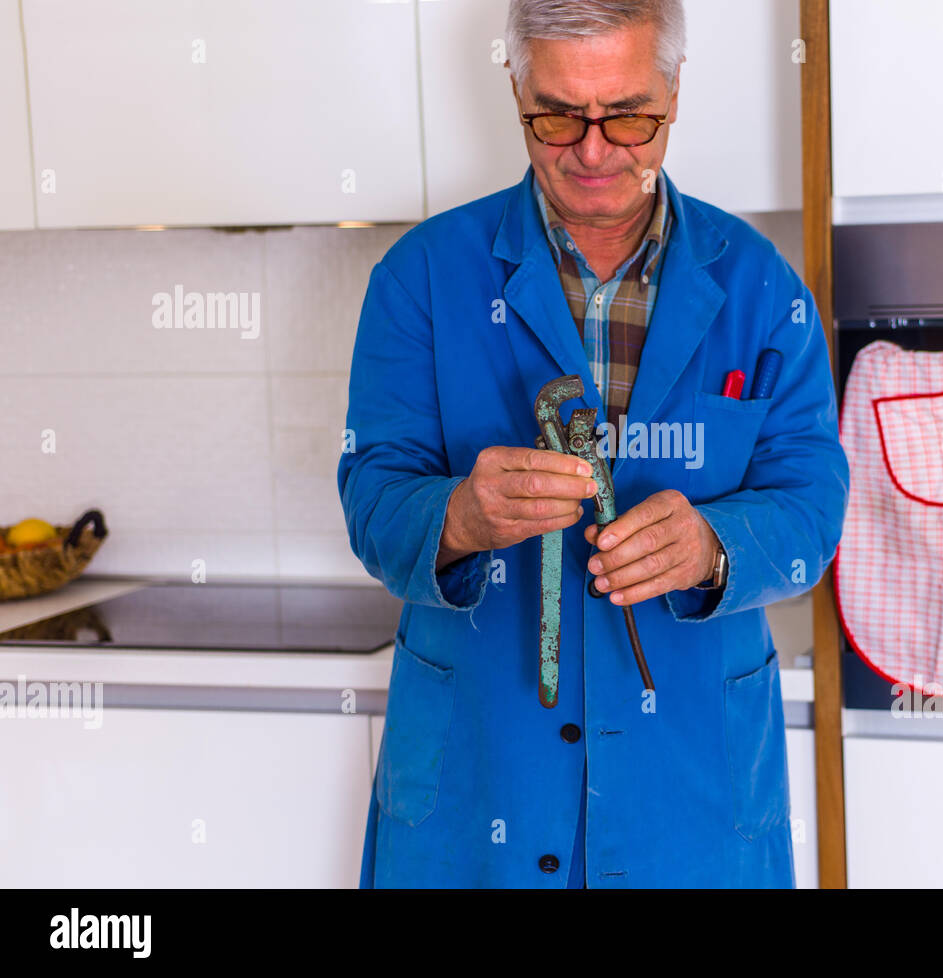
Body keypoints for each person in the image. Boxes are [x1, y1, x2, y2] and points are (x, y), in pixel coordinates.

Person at [338, 0, 848, 888]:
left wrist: (713, 548)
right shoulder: (419, 278)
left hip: (692, 787)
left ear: (676, 91)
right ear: (515, 88)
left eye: (629, 115)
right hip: (477, 777)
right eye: (558, 115)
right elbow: (375, 497)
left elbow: (812, 505)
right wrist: (457, 516)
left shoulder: (763, 283)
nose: (595, 149)